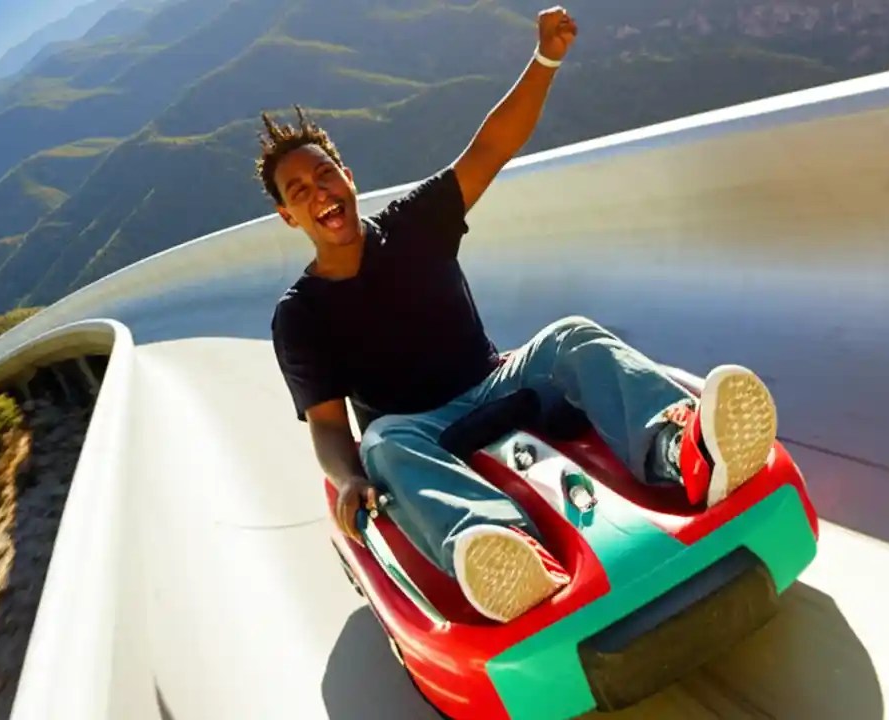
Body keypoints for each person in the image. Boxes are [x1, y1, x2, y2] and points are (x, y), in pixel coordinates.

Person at [259, 7, 779, 624]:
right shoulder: (301, 317)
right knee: (380, 442)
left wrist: (546, 59)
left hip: (497, 384)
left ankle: (683, 452)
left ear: (347, 176)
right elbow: (327, 426)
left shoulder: (414, 225)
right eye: (300, 192)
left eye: (325, 176)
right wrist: (347, 478)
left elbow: (491, 147)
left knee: (571, 336)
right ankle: (506, 553)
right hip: (420, 437)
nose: (320, 194)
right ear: (290, 217)